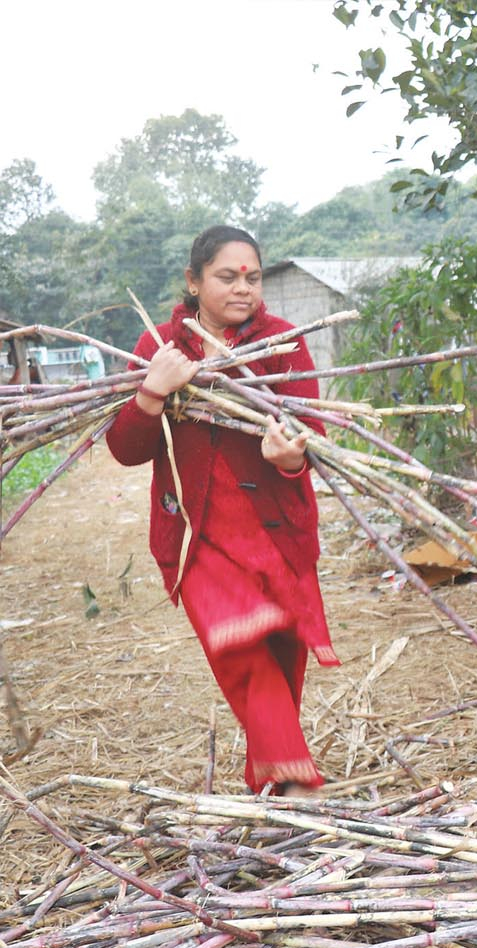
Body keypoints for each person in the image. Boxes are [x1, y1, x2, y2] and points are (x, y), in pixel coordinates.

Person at [105, 225, 341, 796]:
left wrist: (289, 457)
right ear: (194, 281)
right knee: (240, 643)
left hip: (278, 531)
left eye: (253, 278)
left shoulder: (283, 339)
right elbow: (126, 449)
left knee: (282, 658)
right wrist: (151, 393)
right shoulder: (159, 348)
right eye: (227, 277)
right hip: (197, 536)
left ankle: (271, 791)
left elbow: (309, 430)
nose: (244, 288)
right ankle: (298, 783)